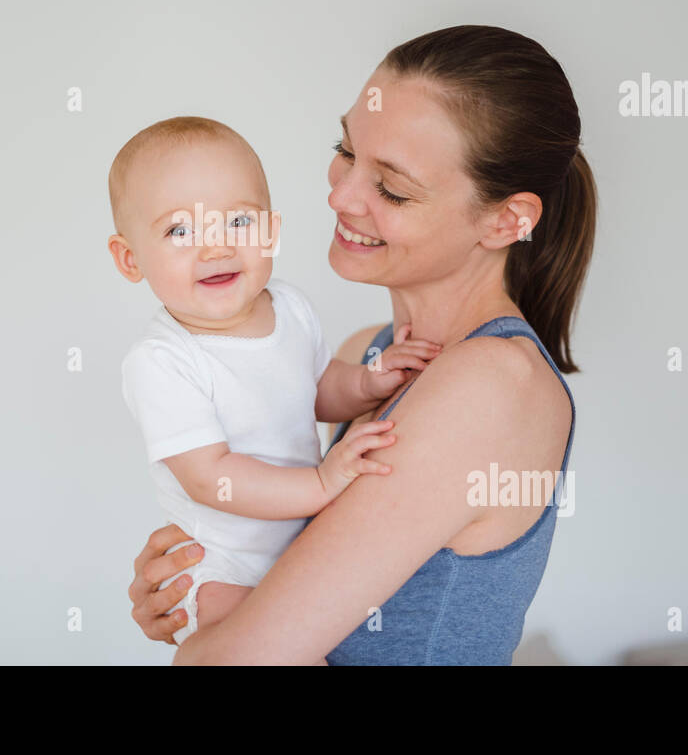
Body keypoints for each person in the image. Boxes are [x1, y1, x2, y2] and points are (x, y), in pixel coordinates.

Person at [126, 24, 597, 664]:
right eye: (345, 151)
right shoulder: (361, 354)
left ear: (506, 220)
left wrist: (209, 644)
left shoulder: (489, 386)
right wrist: (200, 581)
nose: (339, 195)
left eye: (393, 188)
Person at [107, 116, 443, 647]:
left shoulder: (289, 307)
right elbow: (208, 476)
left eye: (237, 222)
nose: (214, 248)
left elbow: (317, 389)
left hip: (295, 556)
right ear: (130, 259)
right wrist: (322, 485)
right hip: (220, 568)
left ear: (272, 230)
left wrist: (371, 381)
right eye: (179, 231)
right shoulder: (162, 361)